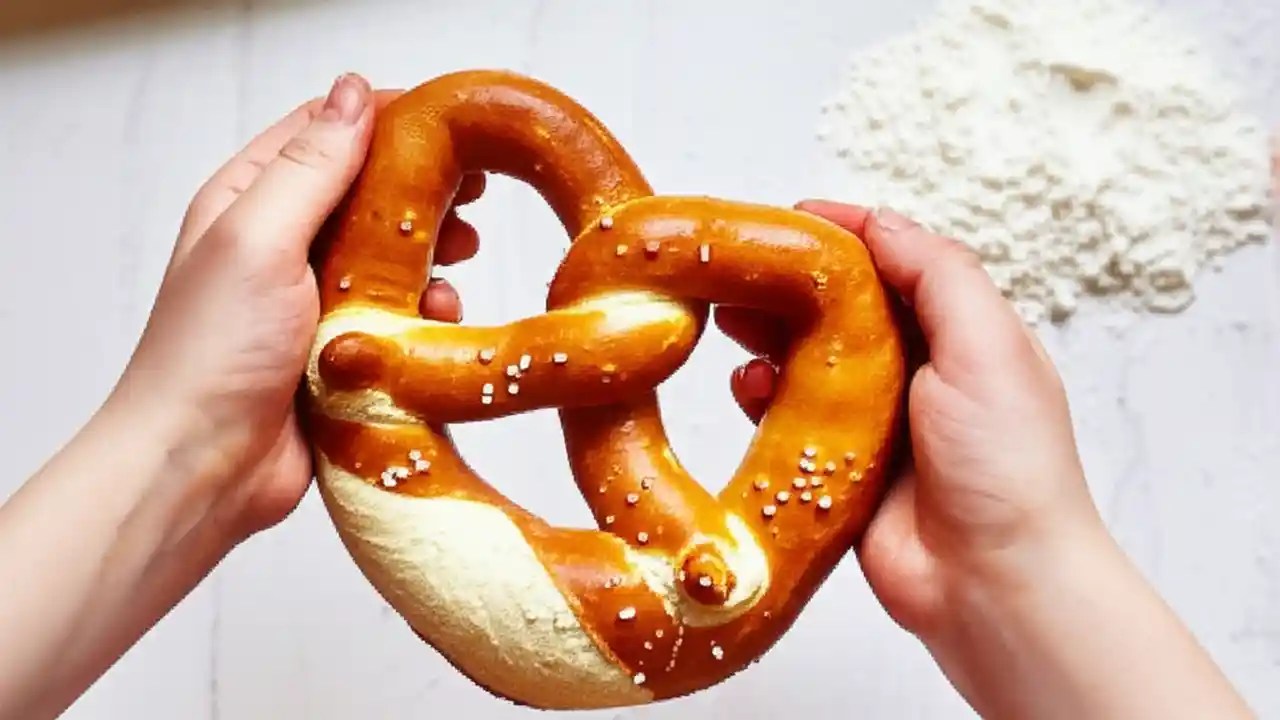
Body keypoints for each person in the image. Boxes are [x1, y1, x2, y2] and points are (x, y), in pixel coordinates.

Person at [0, 73, 1260, 720]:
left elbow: (593, 356)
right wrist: (1018, 572)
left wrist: (187, 441)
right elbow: (612, 353)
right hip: (694, 568)